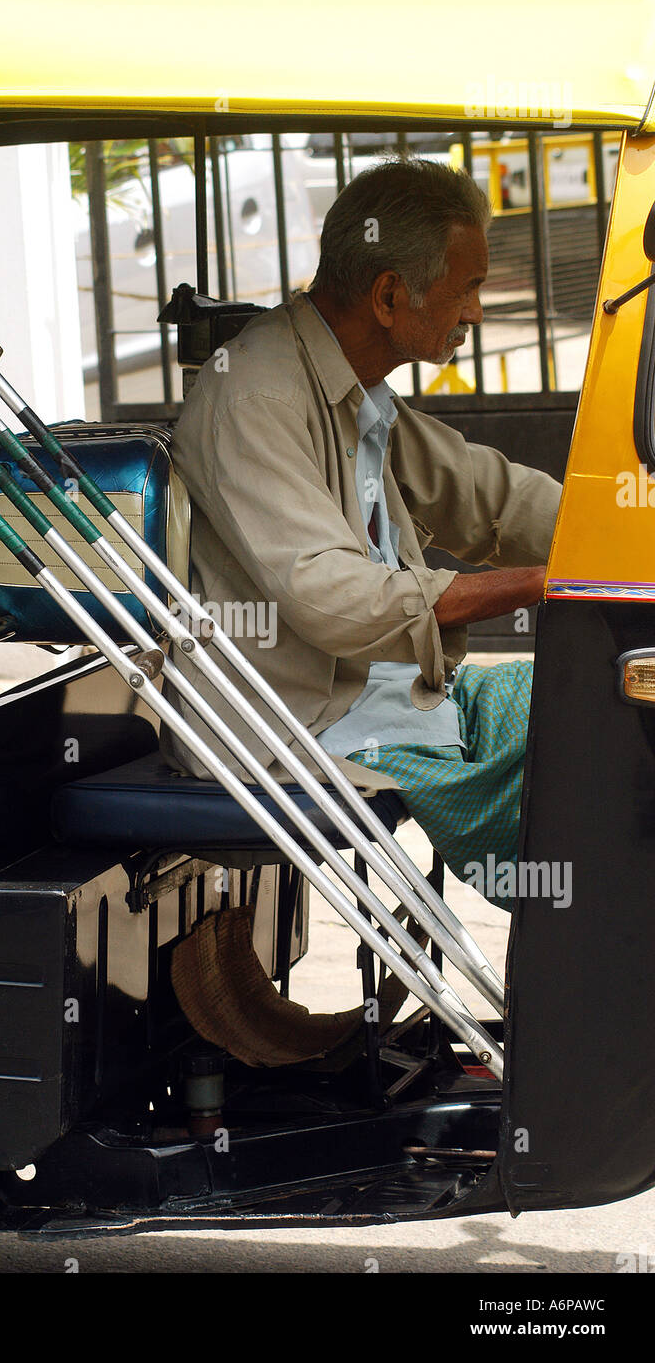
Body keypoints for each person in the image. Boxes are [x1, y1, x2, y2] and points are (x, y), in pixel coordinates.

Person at [160, 157, 561, 902]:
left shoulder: (350, 383)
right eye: (468, 288)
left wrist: (619, 530)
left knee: (594, 703)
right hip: (299, 732)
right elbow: (330, 595)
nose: (476, 312)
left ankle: (577, 954)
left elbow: (486, 494)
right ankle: (573, 962)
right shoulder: (257, 394)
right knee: (585, 762)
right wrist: (540, 585)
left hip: (379, 696)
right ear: (388, 295)